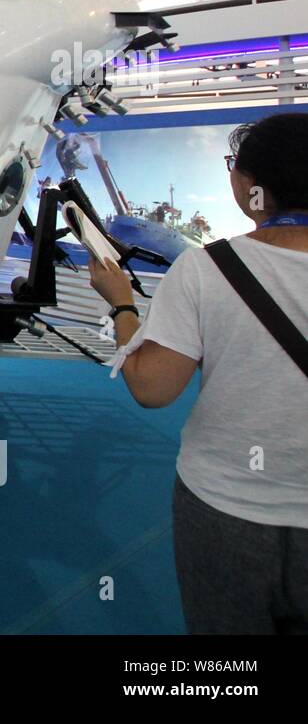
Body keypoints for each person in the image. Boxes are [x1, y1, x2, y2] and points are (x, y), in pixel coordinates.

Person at [90, 112, 308, 634]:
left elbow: (153, 388)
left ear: (249, 185)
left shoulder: (206, 268)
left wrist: (122, 305)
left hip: (226, 506)